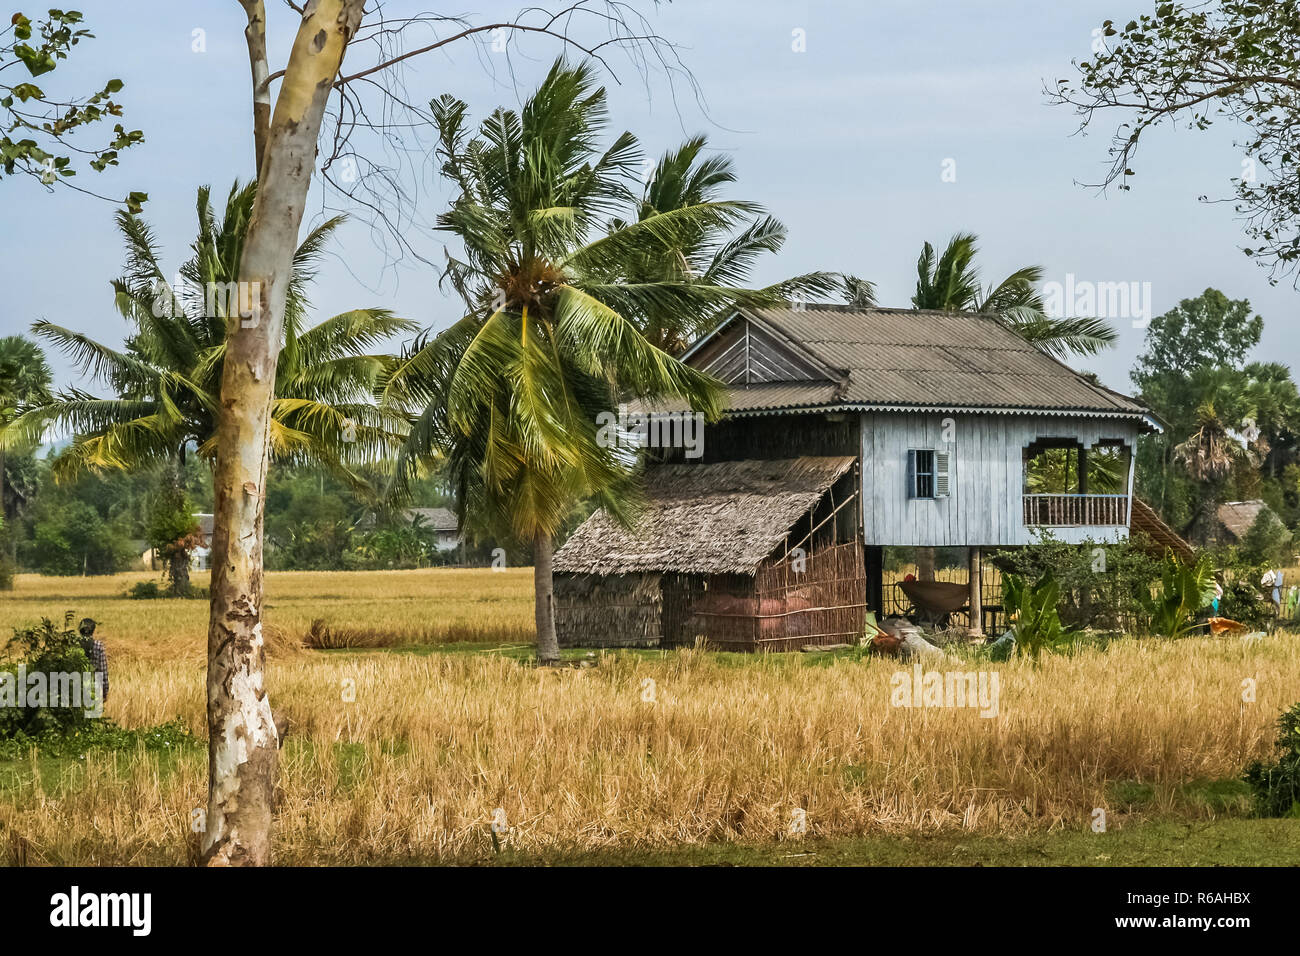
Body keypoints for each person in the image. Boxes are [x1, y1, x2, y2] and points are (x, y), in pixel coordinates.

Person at [78, 617, 109, 702]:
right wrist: (105, 691)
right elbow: (103, 670)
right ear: (93, 630)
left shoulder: (74, 645)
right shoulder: (98, 645)